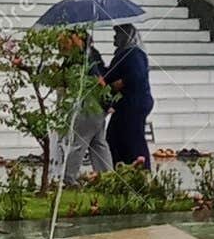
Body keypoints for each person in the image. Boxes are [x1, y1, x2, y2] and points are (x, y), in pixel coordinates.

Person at [56, 29, 112, 183]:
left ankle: (68, 179)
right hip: (96, 107)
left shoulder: (80, 58)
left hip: (86, 106)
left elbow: (98, 80)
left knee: (78, 143)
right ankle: (107, 177)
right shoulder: (92, 54)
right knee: (99, 143)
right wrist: (107, 103)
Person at [106, 23, 153, 168]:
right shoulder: (125, 54)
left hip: (133, 103)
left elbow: (137, 76)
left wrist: (121, 83)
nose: (114, 38)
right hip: (128, 103)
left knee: (131, 137)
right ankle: (124, 167)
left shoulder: (133, 54)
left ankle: (138, 168)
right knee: (118, 136)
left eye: (118, 34)